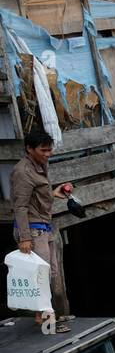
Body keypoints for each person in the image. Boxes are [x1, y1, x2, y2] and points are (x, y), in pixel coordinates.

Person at [11, 129, 73, 333]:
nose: (48, 154)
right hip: (33, 230)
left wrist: (54, 193)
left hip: (44, 226)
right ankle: (45, 318)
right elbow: (20, 207)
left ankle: (46, 315)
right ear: (29, 149)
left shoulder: (40, 165)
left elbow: (39, 196)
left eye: (50, 149)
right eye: (43, 150)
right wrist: (24, 238)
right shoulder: (23, 172)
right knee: (40, 275)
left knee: (50, 272)